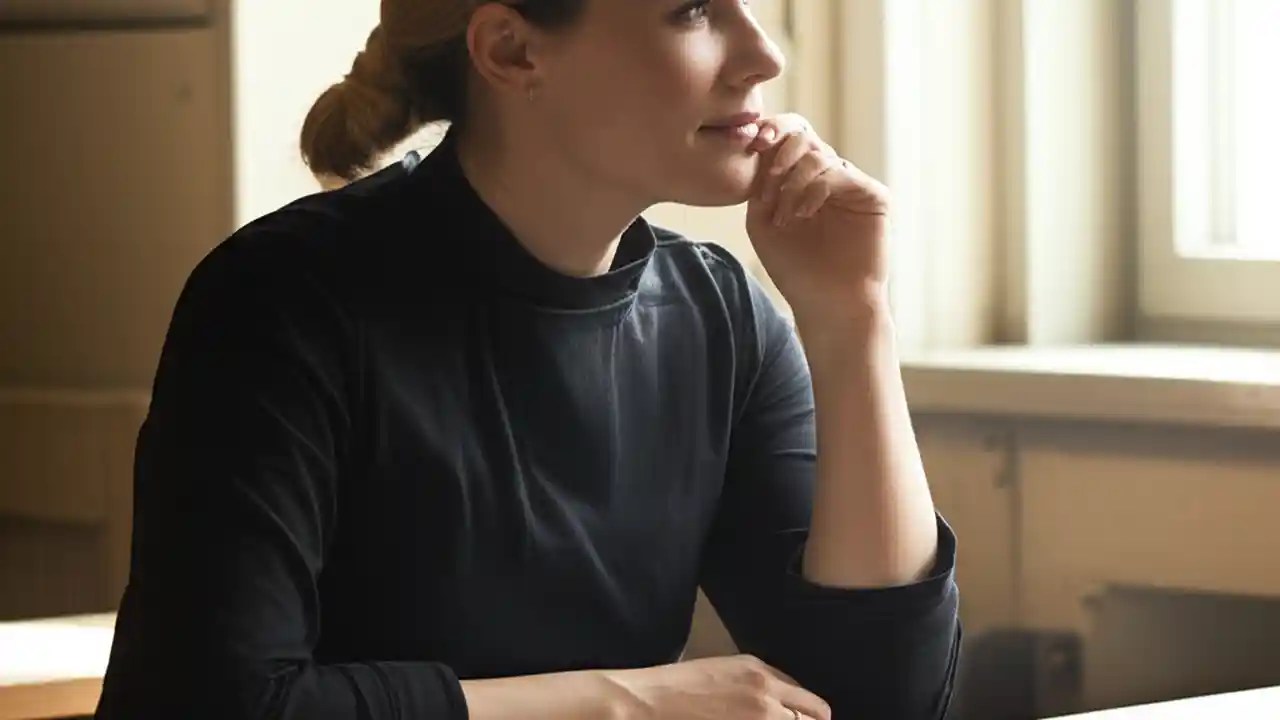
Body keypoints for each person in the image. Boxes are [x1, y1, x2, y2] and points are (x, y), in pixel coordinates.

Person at [94, 1, 961, 718]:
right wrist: (624, 704)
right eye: (695, 10)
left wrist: (853, 322)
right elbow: (207, 705)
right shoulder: (281, 301)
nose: (764, 55)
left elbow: (880, 698)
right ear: (511, 51)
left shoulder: (721, 315)